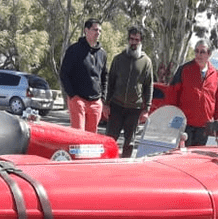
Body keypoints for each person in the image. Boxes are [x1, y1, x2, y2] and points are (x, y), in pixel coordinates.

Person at [104, 27, 153, 158]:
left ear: (141, 42)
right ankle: (106, 165)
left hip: (134, 109)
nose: (133, 42)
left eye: (137, 40)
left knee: (129, 142)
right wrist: (106, 104)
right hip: (116, 106)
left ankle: (124, 168)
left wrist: (146, 109)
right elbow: (111, 82)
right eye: (131, 39)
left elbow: (148, 86)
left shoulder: (146, 62)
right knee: (110, 140)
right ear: (128, 40)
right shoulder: (118, 59)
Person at [167, 39, 218, 147]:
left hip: (204, 127)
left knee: (196, 160)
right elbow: (172, 94)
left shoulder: (216, 74)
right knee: (180, 158)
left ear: (209, 54)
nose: (198, 55)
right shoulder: (184, 69)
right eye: (196, 51)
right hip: (184, 125)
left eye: (202, 52)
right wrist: (172, 117)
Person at [60, 18, 107, 131]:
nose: (98, 33)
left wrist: (102, 97)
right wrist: (72, 95)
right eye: (95, 30)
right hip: (78, 100)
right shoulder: (74, 50)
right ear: (86, 30)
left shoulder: (102, 53)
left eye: (99, 31)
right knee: (78, 135)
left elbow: (105, 76)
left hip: (96, 102)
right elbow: (64, 73)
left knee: (91, 137)